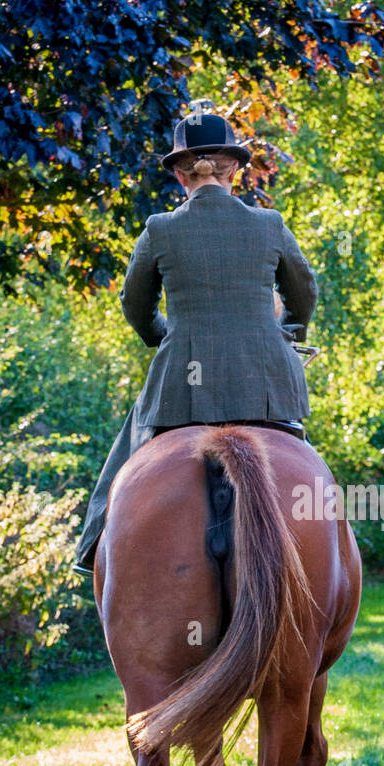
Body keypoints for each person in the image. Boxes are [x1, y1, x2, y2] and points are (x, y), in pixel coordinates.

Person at [74, 112, 318, 573]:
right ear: (235, 170)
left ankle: (91, 548)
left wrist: (166, 338)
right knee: (311, 474)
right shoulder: (270, 223)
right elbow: (304, 294)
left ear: (180, 174)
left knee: (124, 460)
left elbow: (134, 304)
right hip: (265, 386)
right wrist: (284, 335)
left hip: (183, 392)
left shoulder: (159, 229)